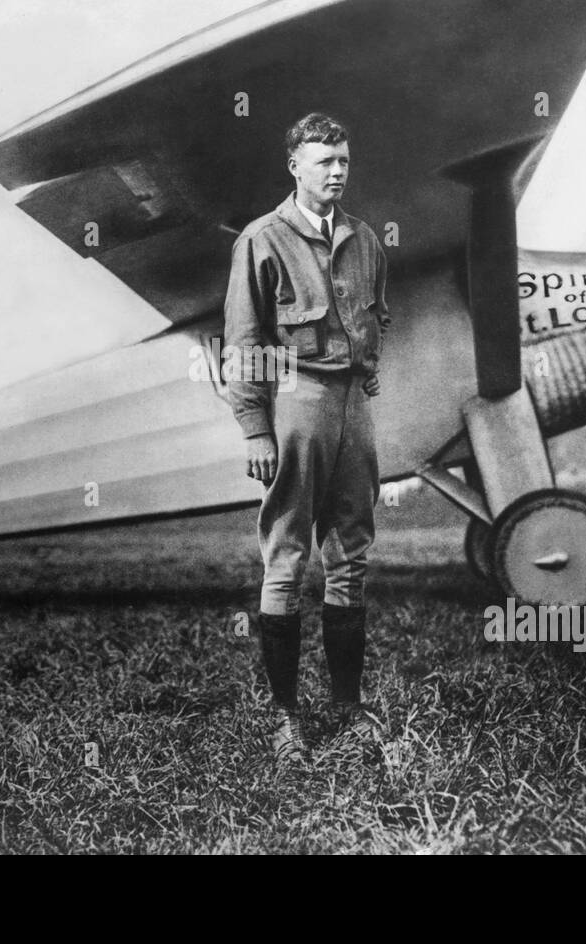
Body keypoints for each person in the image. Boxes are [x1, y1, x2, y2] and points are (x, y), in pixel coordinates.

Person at [224, 112, 390, 765]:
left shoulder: (366, 237)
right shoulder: (263, 239)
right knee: (287, 556)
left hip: (353, 403)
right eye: (324, 161)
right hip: (297, 400)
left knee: (351, 554)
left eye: (344, 159)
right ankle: (284, 720)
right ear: (295, 165)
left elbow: (378, 311)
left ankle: (347, 711)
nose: (338, 171)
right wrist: (255, 428)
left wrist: (368, 369)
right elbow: (244, 343)